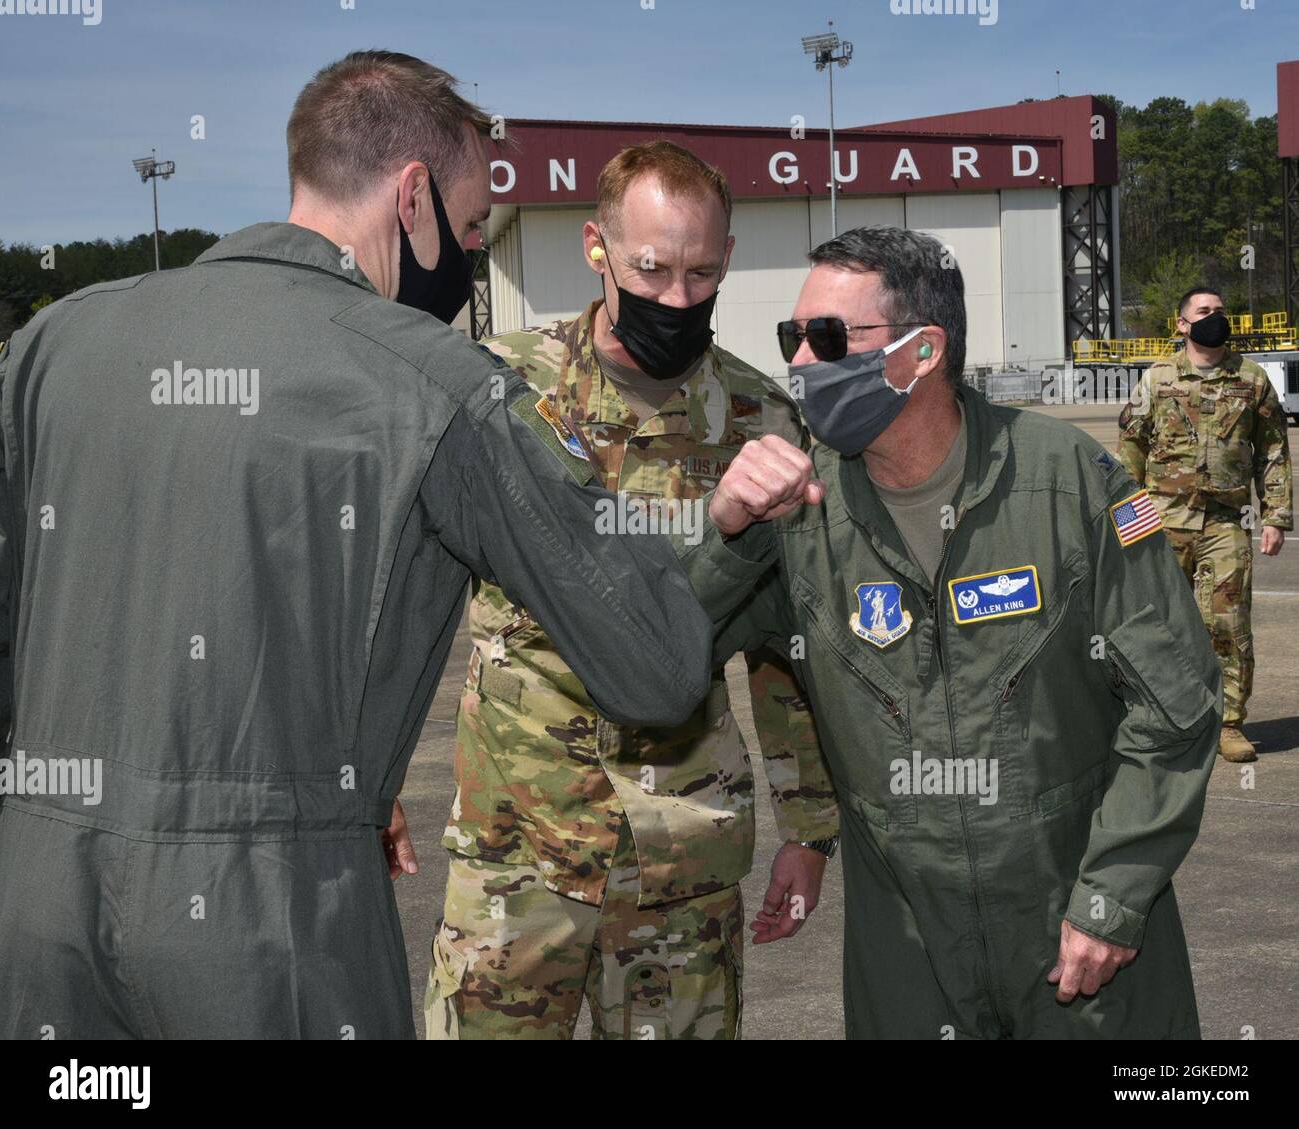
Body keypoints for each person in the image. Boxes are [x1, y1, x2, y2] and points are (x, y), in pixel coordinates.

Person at [0, 51, 712, 1040]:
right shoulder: (433, 379)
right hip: (269, 929)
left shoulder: (51, 345)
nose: (465, 263)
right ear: (410, 196)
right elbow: (658, 663)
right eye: (469, 230)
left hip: (34, 909)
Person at [672, 225, 1222, 1038]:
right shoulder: (795, 517)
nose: (799, 362)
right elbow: (657, 665)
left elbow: (1175, 702)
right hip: (908, 953)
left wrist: (1112, 895)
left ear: (921, 352)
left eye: (827, 338)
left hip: (1080, 945)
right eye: (792, 337)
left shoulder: (1068, 481)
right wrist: (723, 534)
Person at [424, 142, 839, 1041]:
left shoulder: (761, 420)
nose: (678, 298)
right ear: (597, 248)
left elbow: (781, 648)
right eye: (652, 268)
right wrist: (366, 774)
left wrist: (808, 829)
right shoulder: (500, 392)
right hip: (516, 855)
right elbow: (413, 596)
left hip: (680, 858)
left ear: (727, 259)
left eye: (701, 272)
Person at [1118, 288, 1292, 762]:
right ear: (1181, 324)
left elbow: (1273, 450)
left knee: (1229, 624)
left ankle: (1229, 725)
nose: (1215, 317)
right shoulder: (1157, 379)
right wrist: (1125, 518)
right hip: (1160, 522)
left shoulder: (1252, 379)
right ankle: (1160, 721)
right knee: (1155, 627)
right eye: (1204, 312)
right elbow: (1131, 448)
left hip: (1225, 524)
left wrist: (1275, 515)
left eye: (1220, 310)